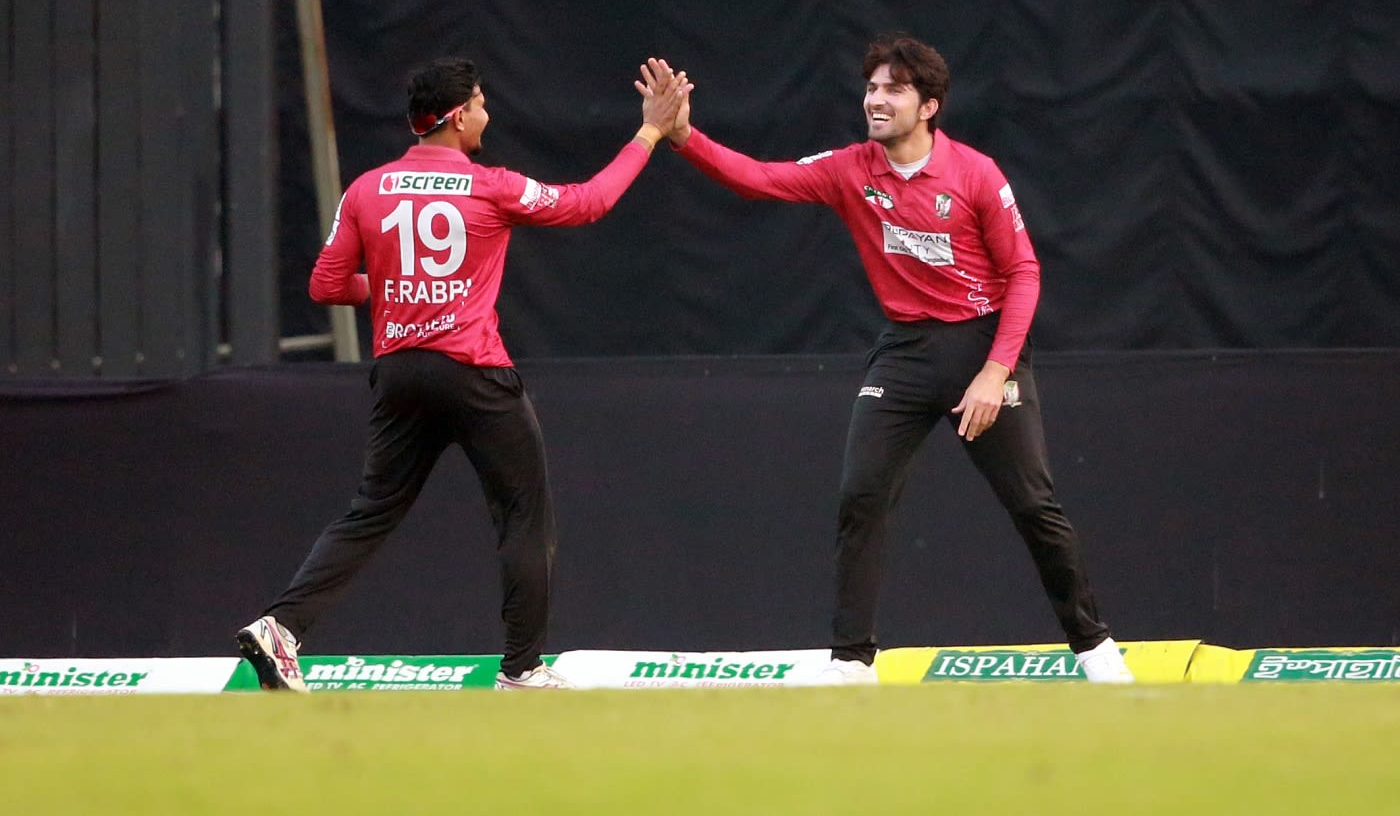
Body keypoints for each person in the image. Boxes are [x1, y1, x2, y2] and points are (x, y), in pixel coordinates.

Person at [642, 38, 1133, 684]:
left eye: (894, 90)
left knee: (1032, 504)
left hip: (982, 346)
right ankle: (852, 661)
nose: (876, 99)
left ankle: (1096, 650)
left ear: (928, 106)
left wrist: (995, 373)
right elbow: (760, 179)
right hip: (905, 351)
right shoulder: (851, 168)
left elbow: (1024, 272)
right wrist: (683, 135)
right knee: (862, 495)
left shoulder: (975, 173)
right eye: (872, 87)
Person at [238, 56, 691, 692]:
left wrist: (396, 286)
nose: (487, 114)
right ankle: (522, 669)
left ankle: (281, 627)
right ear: (456, 117)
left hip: (399, 374)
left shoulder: (366, 189)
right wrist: (649, 132)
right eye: (479, 104)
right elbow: (588, 203)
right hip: (474, 374)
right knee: (523, 517)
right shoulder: (490, 186)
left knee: (370, 513)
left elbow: (327, 285)